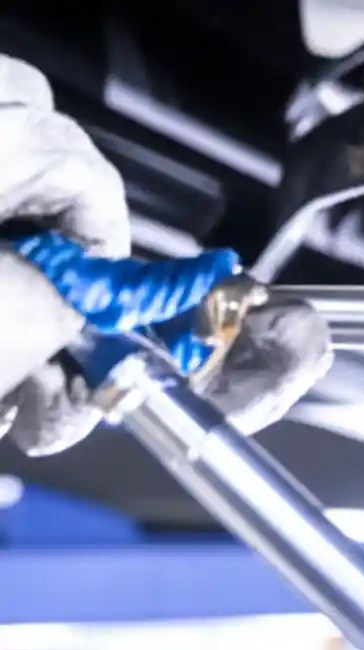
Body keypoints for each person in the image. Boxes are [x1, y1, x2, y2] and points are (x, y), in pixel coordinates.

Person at [0, 55, 331, 456]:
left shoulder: (180, 361)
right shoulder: (215, 296)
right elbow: (197, 290)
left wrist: (52, 409)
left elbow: (98, 398)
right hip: (50, 250)